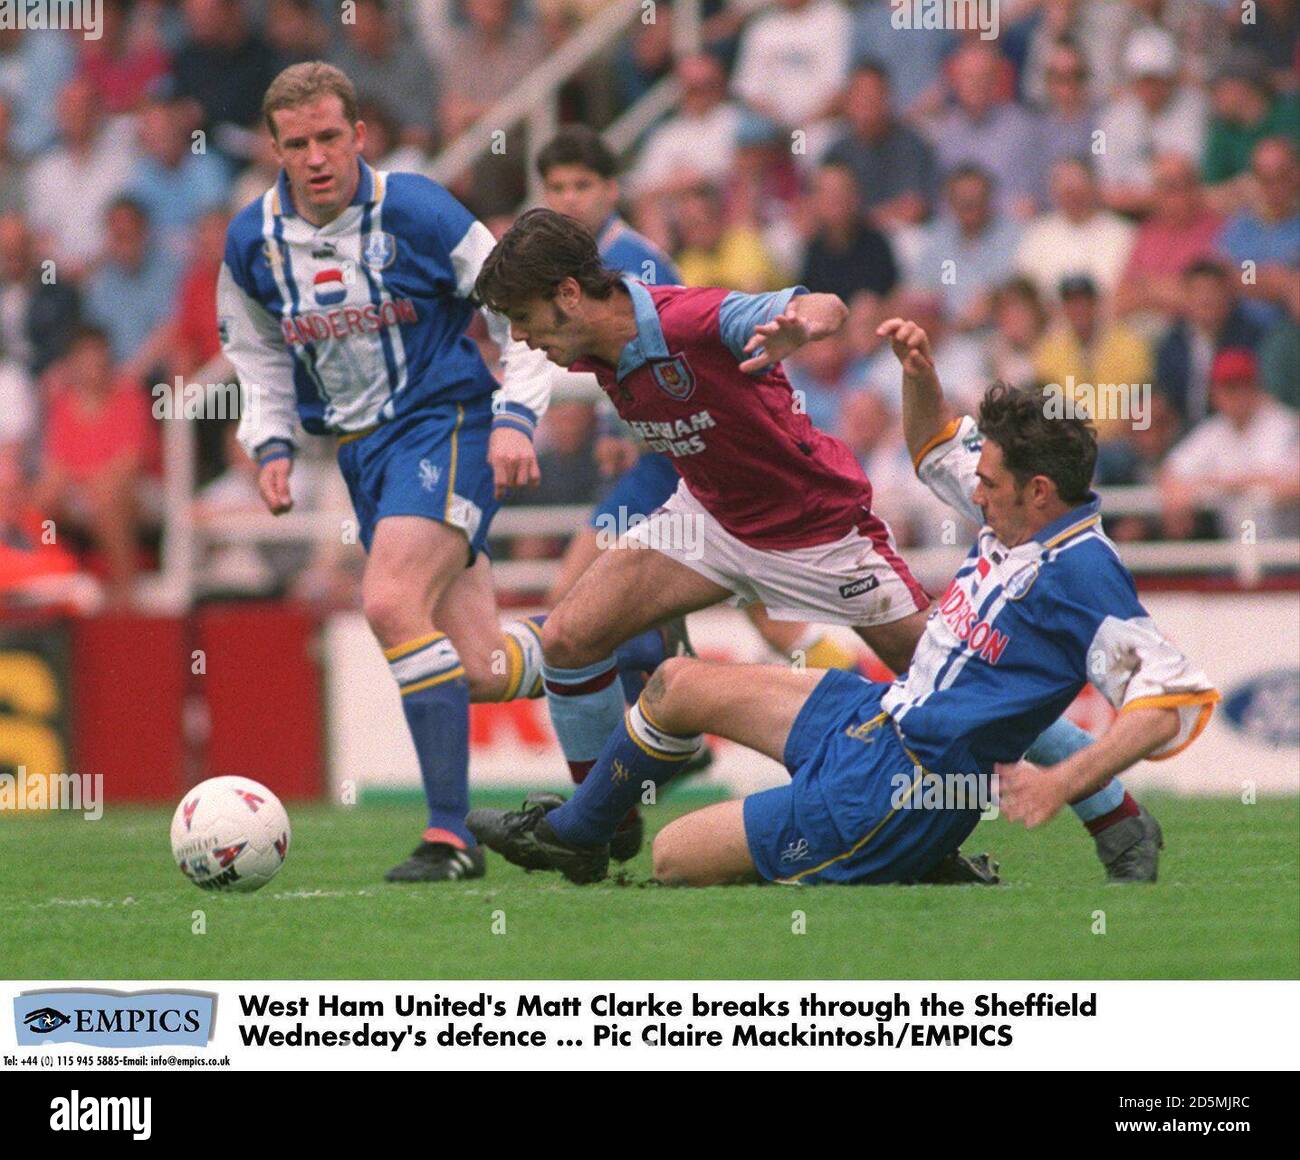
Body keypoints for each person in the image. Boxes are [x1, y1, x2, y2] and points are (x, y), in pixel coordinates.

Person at [471, 208, 1172, 883]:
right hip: (709, 522)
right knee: (570, 635)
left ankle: (1117, 817)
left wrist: (802, 323)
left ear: (569, 294)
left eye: (528, 321)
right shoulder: (589, 342)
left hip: (819, 535)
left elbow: (824, 307)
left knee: (954, 681)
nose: (526, 339)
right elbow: (527, 372)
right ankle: (591, 832)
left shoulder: (688, 317)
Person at [218, 61, 563, 883]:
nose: (317, 157)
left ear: (359, 135)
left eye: (330, 137)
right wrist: (270, 444)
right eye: (297, 143)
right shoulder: (252, 242)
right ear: (273, 149)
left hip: (444, 422)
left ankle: (450, 839)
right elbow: (255, 351)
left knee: (388, 601)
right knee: (479, 669)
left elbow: (523, 302)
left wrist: (516, 416)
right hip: (361, 455)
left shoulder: (416, 209)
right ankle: (619, 641)